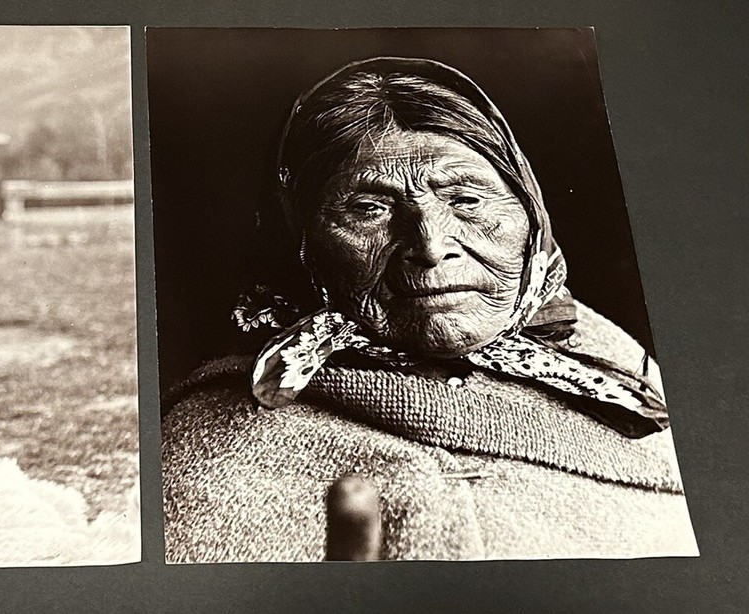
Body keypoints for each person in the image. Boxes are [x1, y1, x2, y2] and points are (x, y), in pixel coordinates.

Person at [162, 57, 697, 562]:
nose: (431, 244)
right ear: (301, 247)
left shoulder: (617, 367)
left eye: (466, 200)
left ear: (531, 217)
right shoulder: (217, 451)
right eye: (369, 210)